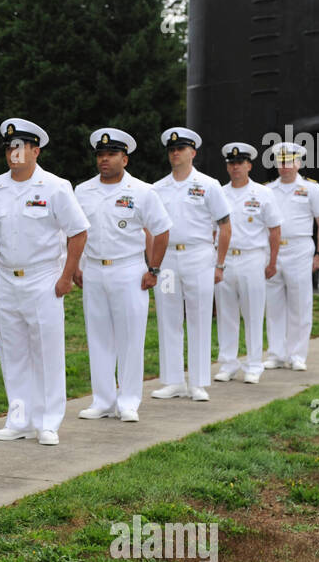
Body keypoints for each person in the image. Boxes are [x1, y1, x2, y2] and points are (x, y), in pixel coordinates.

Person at [0, 118, 88, 446]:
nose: (13, 153)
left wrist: (67, 276)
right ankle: (19, 418)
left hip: (44, 277)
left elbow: (78, 232)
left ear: (35, 150)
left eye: (20, 147)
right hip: (7, 278)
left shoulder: (56, 187)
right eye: (9, 147)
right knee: (13, 351)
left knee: (46, 351)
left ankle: (48, 421)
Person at [72, 128, 171, 423]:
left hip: (128, 269)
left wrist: (154, 269)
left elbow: (162, 230)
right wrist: (73, 264)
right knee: (98, 335)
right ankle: (103, 400)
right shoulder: (82, 191)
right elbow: (74, 231)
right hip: (93, 269)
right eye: (101, 155)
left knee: (130, 337)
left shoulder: (142, 191)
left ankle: (128, 401)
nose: (105, 159)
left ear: (124, 159)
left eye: (112, 154)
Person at [149, 127, 231, 402]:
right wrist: (152, 264)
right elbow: (150, 229)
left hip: (198, 256)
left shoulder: (209, 185)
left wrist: (220, 264)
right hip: (168, 259)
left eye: (180, 149)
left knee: (198, 317)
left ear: (192, 152)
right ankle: (173, 381)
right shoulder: (157, 188)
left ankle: (197, 382)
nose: (175, 153)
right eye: (171, 149)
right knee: (168, 316)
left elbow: (225, 225)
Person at [213, 143, 281, 384]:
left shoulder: (263, 194)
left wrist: (272, 262)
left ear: (249, 165)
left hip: (253, 257)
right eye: (231, 163)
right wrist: (216, 262)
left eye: (240, 163)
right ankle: (228, 363)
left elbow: (274, 230)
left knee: (253, 312)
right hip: (226, 258)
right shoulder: (219, 192)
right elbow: (214, 231)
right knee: (226, 313)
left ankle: (253, 365)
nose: (235, 167)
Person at [263, 142, 319, 371]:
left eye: (289, 161)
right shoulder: (267, 190)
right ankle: (276, 353)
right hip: (273, 251)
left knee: (300, 304)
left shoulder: (311, 188)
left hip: (300, 249)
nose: (285, 166)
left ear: (298, 163)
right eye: (281, 162)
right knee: (274, 305)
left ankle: (298, 355)